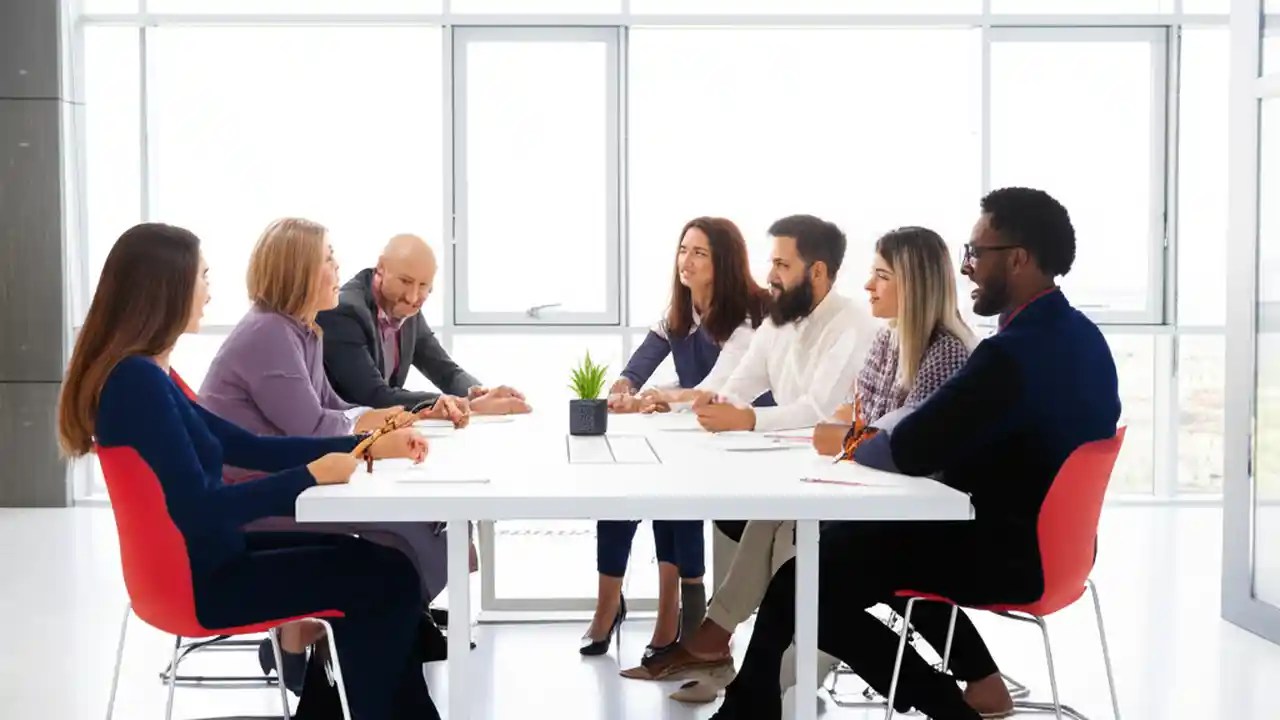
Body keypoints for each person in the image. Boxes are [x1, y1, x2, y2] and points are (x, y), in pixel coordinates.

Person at [710, 188, 1122, 720]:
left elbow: (907, 447)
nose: (967, 267)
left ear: (1018, 259)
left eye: (976, 253)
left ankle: (948, 713)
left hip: (1003, 553)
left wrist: (853, 442)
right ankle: (752, 704)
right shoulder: (1083, 338)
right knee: (820, 568)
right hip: (1056, 552)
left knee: (809, 579)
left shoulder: (1010, 356)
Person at [59, 222, 440, 720]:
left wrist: (365, 446)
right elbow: (199, 509)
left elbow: (245, 446)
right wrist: (308, 477)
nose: (209, 291)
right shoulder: (137, 384)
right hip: (205, 581)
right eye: (203, 277)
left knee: (386, 570)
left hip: (210, 560)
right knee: (385, 580)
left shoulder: (149, 375)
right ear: (167, 290)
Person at [647, 227, 976, 703]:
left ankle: (766, 679)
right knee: (777, 522)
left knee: (798, 549)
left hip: (912, 511)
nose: (868, 287)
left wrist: (846, 431)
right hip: (872, 487)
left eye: (881, 276)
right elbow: (859, 414)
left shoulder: (937, 349)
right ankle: (740, 665)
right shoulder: (887, 339)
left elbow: (906, 441)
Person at [198, 218, 472, 691]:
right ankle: (347, 648)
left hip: (291, 489)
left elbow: (337, 409)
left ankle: (371, 641)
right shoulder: (268, 334)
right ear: (299, 270)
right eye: (329, 258)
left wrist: (391, 424)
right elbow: (316, 426)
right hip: (258, 501)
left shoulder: (300, 332)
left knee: (435, 538)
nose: (339, 269)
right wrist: (381, 434)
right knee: (416, 536)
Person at [581, 218, 771, 673]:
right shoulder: (680, 313)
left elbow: (714, 388)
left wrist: (659, 398)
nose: (686, 260)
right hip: (696, 432)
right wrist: (625, 390)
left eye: (699, 253)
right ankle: (619, 608)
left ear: (722, 261)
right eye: (683, 249)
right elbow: (637, 367)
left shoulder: (744, 318)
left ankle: (677, 619)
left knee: (674, 492)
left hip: (744, 439)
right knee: (620, 488)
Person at [688, 214, 878, 434]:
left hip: (833, 460)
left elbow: (820, 410)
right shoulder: (774, 325)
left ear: (817, 272)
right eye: (773, 264)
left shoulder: (854, 326)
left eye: (782, 265)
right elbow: (738, 387)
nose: (770, 277)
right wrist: (717, 402)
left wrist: (750, 419)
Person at [317, 233, 528, 416]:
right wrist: (463, 405)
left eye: (424, 286)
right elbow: (374, 396)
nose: (412, 297)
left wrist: (480, 392)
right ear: (381, 268)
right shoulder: (344, 311)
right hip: (341, 442)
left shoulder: (406, 309)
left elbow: (445, 371)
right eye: (405, 282)